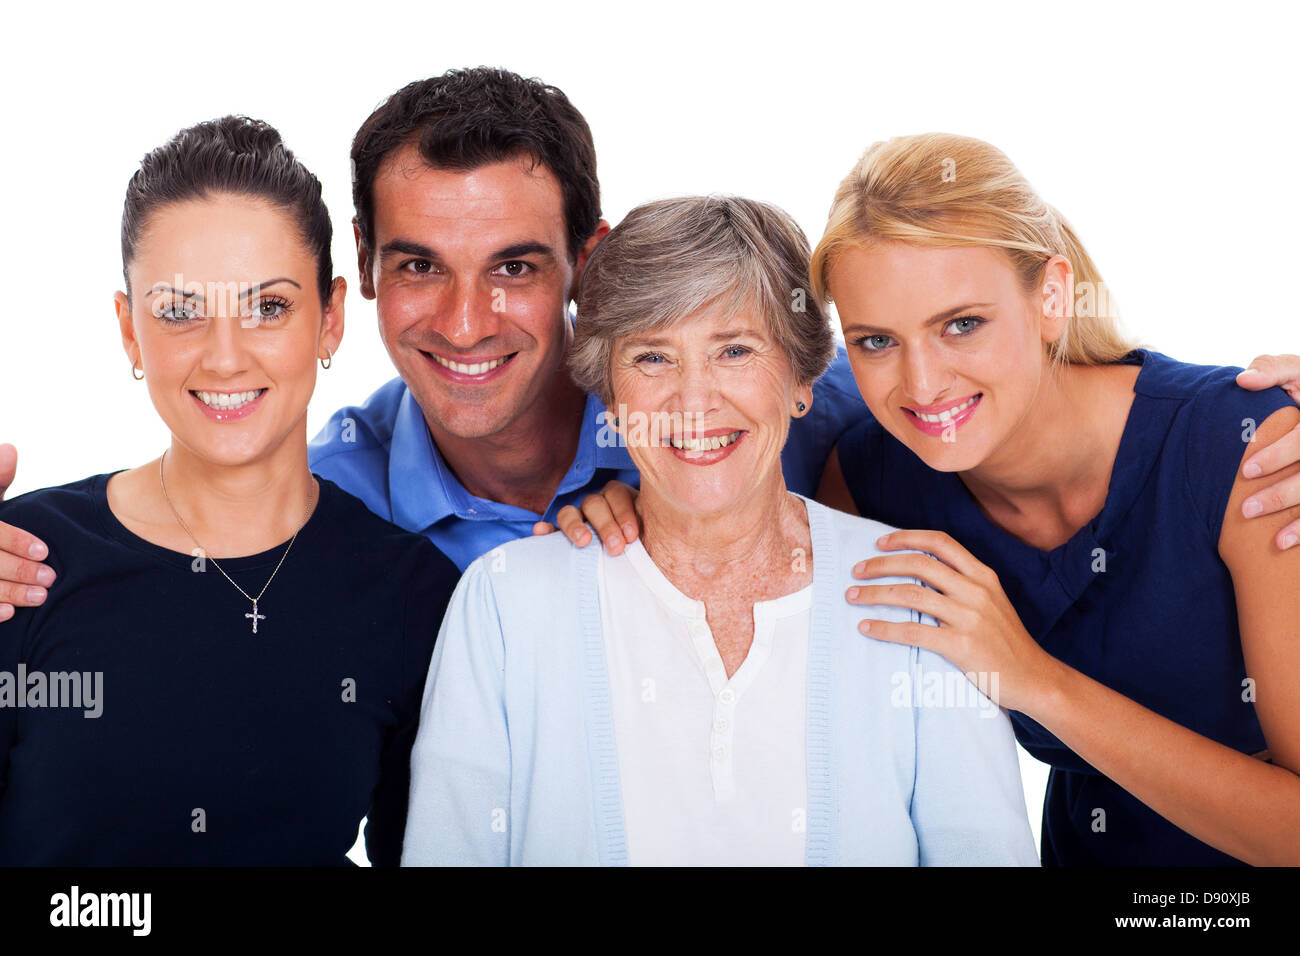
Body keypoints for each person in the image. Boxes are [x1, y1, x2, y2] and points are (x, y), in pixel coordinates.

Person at [1, 67, 1297, 597]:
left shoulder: (788, 408)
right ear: (363, 289)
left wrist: (1251, 412)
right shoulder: (324, 498)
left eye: (515, 266)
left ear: (591, 264)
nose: (463, 323)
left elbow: (982, 369)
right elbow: (142, 555)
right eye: (417, 267)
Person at [401, 196, 1039, 866]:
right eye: (652, 358)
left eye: (734, 350)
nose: (695, 400)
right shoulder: (504, 604)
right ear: (610, 395)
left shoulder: (918, 597)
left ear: (800, 378)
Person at [808, 133, 1300, 865]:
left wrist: (1036, 681)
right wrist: (605, 494)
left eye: (962, 324)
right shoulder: (867, 482)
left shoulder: (1246, 451)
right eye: (877, 341)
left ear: (1052, 295)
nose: (921, 384)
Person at [0, 116, 459, 865]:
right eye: (180, 312)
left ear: (331, 318)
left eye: (268, 307)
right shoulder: (22, 563)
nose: (223, 356)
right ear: (128, 330)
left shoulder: (412, 593)